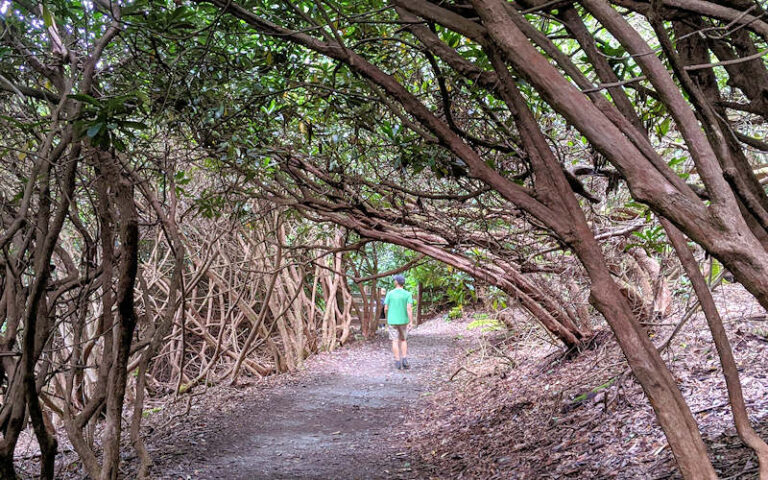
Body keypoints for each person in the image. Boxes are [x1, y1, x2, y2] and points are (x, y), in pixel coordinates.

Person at [384, 274, 413, 370]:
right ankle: (404, 359)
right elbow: (409, 308)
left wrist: (388, 317)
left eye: (394, 280)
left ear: (396, 282)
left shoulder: (390, 293)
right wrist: (410, 321)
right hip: (403, 320)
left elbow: (386, 308)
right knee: (403, 340)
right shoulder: (407, 294)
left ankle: (397, 361)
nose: (394, 281)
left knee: (394, 340)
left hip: (392, 320)